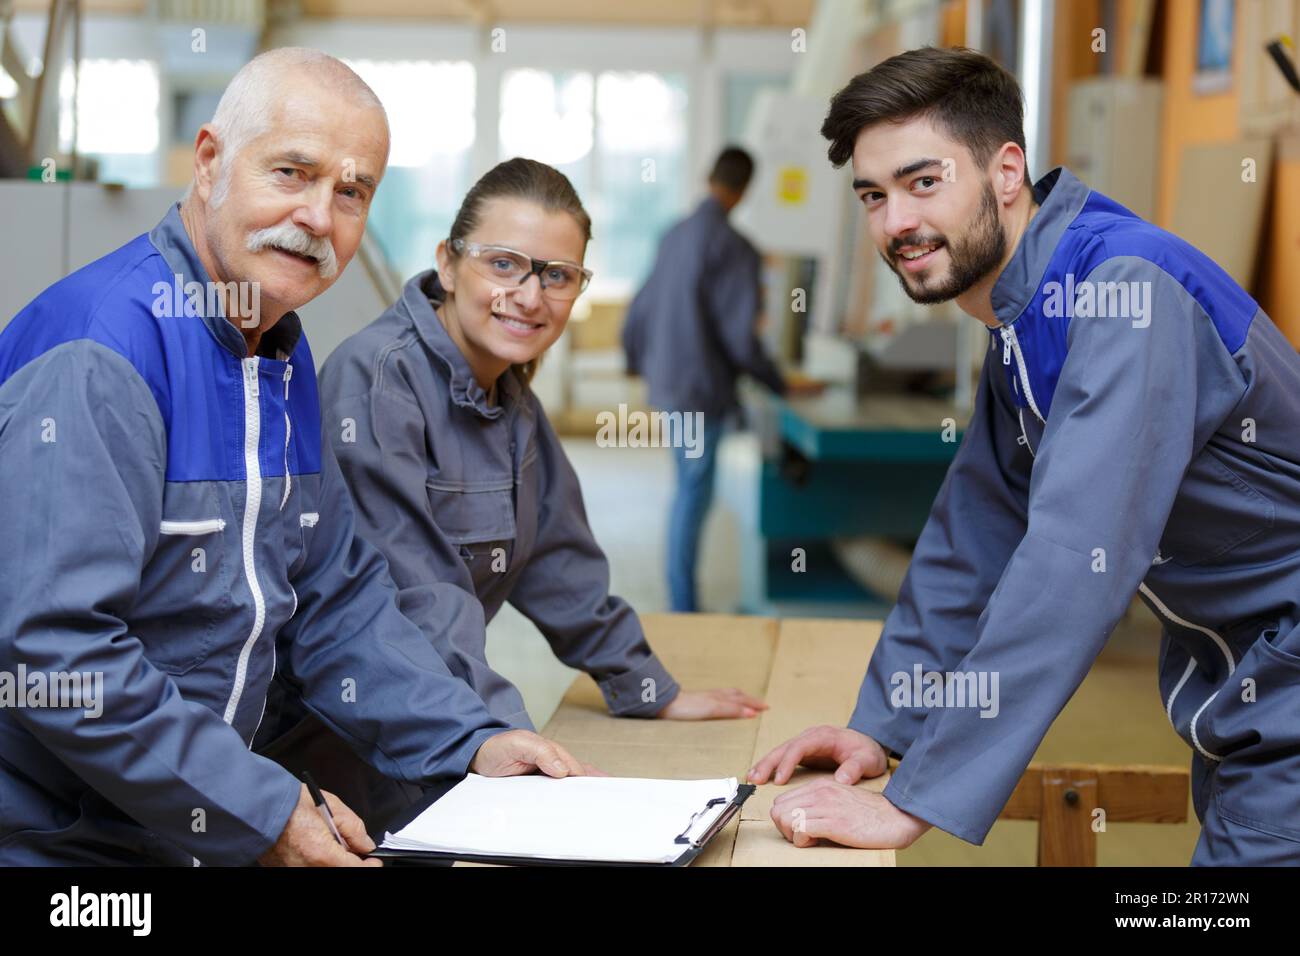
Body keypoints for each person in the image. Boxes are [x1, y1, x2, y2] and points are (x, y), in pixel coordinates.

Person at [0, 48, 584, 868]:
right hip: (55, 844)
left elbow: (337, 596)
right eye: (291, 171)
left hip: (179, 827)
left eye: (351, 191)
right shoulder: (103, 355)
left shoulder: (275, 355)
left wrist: (470, 739)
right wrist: (263, 809)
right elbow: (57, 653)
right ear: (210, 162)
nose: (319, 216)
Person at [749, 46, 1300, 865]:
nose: (895, 222)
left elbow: (1073, 563)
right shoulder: (1023, 317)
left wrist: (914, 800)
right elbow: (975, 531)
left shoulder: (1126, 293)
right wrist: (884, 728)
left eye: (923, 181)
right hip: (1247, 688)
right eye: (874, 194)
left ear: (1007, 171)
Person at [270, 158, 768, 829]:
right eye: (503, 264)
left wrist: (645, 687)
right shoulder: (378, 381)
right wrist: (498, 734)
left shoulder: (510, 398)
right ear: (448, 263)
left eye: (557, 274)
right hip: (342, 739)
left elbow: (559, 559)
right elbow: (418, 600)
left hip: (436, 719)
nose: (530, 295)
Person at [622, 147, 788, 612]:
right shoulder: (735, 248)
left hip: (670, 383)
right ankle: (683, 608)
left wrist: (639, 363)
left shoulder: (673, 234)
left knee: (686, 487)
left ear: (707, 176)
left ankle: (682, 600)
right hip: (700, 391)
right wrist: (780, 382)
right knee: (693, 494)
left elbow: (640, 309)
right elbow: (740, 338)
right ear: (745, 189)